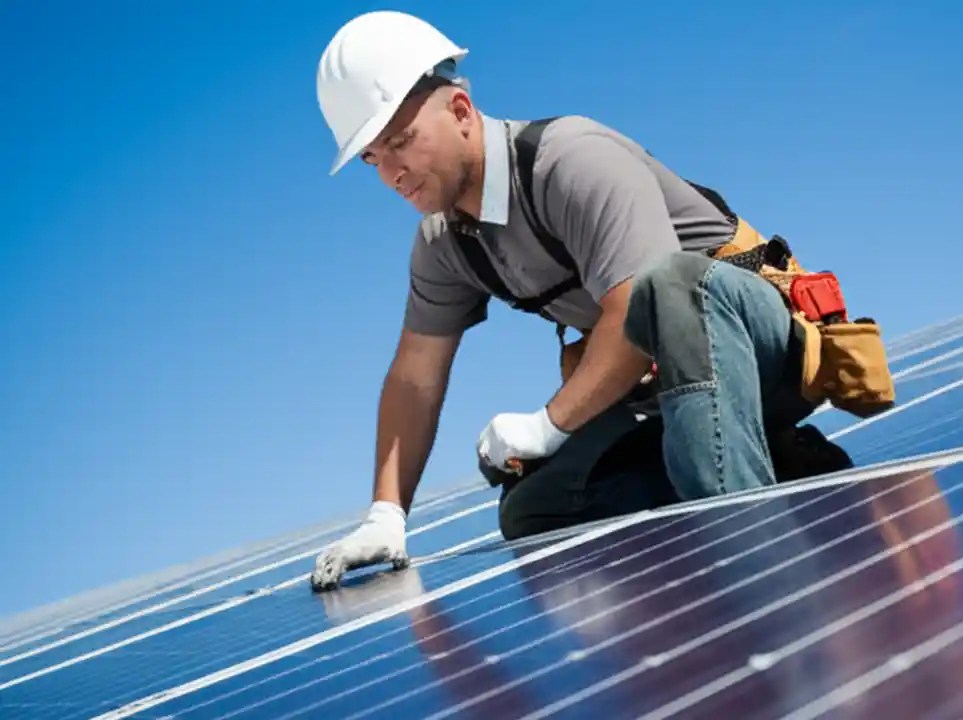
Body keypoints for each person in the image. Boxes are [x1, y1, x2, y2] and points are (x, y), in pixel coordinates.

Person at [308, 11, 868, 592]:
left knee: (672, 289)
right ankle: (783, 465)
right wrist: (386, 514)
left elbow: (639, 307)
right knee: (536, 510)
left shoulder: (569, 160)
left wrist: (549, 424)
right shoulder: (443, 244)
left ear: (459, 111)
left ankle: (765, 575)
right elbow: (414, 375)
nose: (393, 174)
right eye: (375, 158)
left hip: (763, 351)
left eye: (401, 142)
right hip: (667, 389)